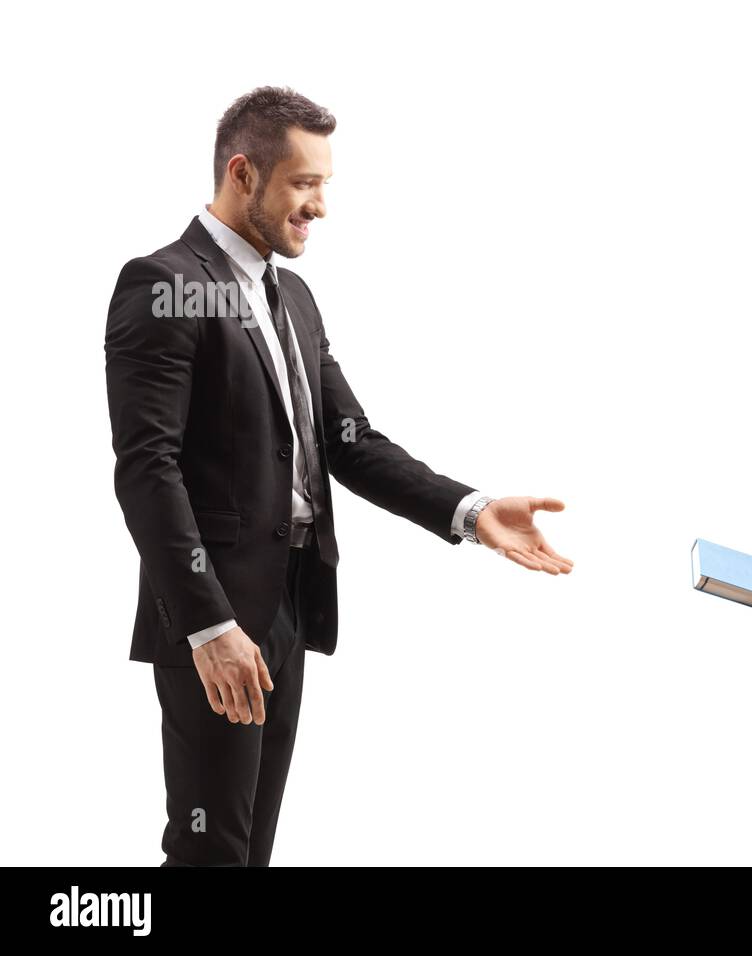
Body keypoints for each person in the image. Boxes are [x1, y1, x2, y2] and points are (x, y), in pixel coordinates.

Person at [104, 86, 574, 866]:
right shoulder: (162, 282)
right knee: (208, 852)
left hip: (288, 600)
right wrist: (208, 626)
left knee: (249, 850)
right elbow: (146, 470)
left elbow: (350, 443)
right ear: (243, 173)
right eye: (303, 183)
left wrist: (471, 509)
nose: (319, 206)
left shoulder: (293, 297)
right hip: (213, 614)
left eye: (325, 185)